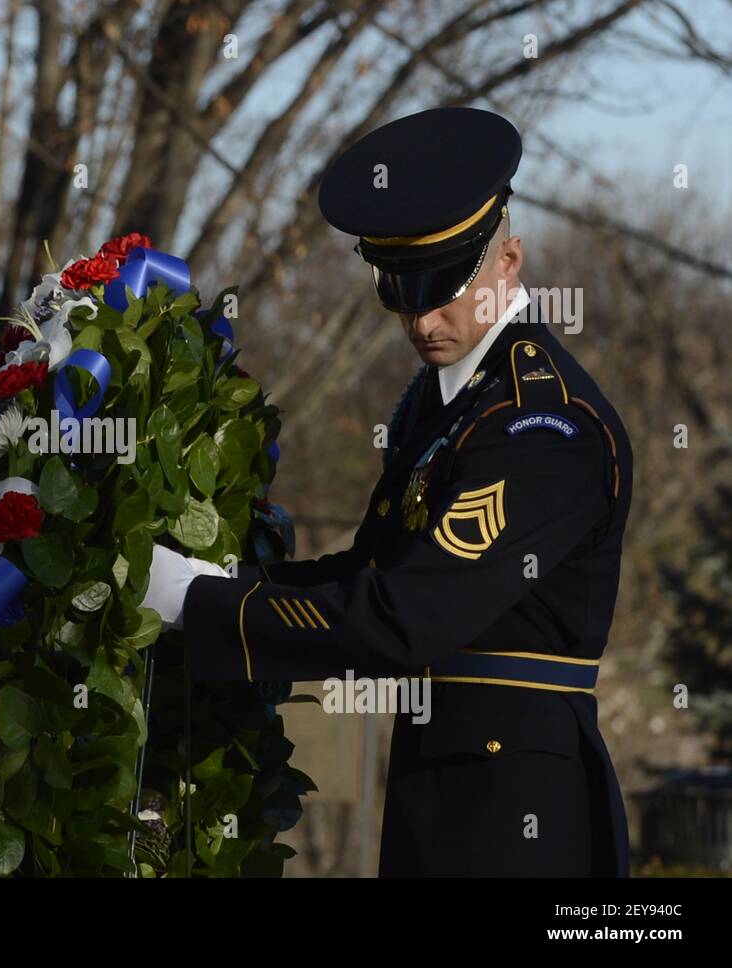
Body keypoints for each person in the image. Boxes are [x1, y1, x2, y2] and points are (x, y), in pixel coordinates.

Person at [143, 107, 634, 876]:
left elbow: (404, 618)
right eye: (400, 291)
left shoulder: (540, 427)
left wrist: (200, 605)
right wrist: (222, 583)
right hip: (444, 787)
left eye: (443, 288)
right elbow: (370, 573)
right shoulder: (447, 403)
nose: (420, 317)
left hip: (515, 816)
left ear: (509, 259)